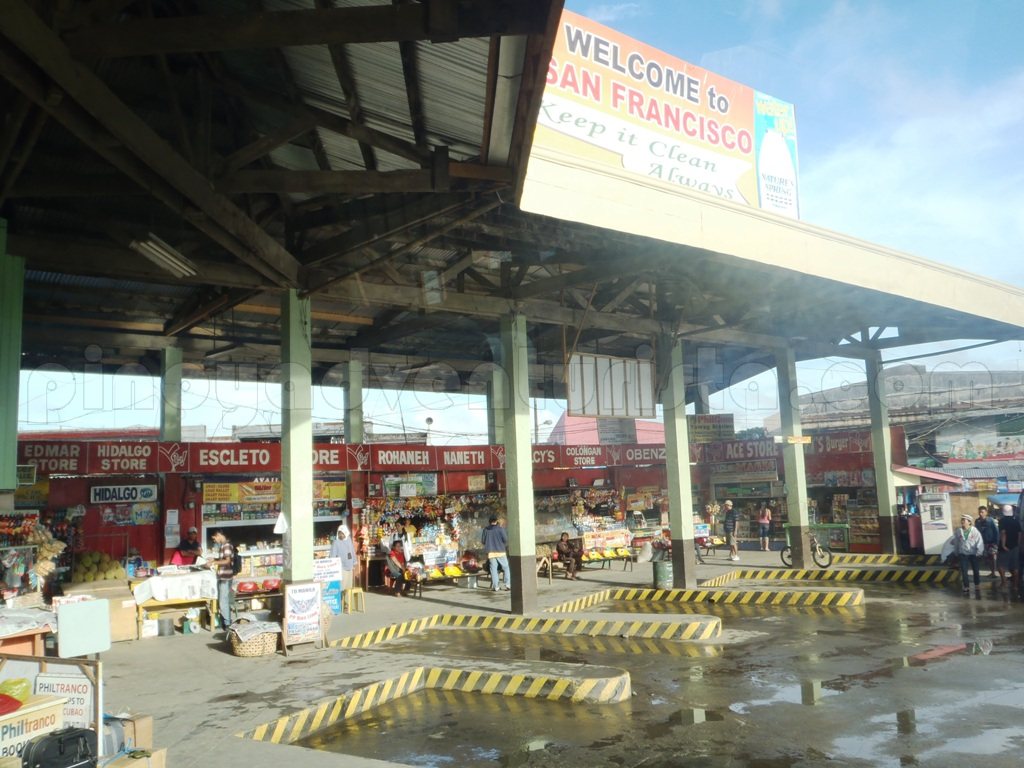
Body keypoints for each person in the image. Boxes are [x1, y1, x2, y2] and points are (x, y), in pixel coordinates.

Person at [208, 529, 234, 631]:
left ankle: (227, 623)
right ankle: (225, 621)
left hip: (225, 577)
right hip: (222, 576)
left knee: (223, 600)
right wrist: (214, 560)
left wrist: (214, 562)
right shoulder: (223, 546)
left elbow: (227, 561)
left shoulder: (226, 546)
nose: (214, 541)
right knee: (222, 599)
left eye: (214, 538)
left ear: (218, 535)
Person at [952, 514, 984, 594]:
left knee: (975, 570)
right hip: (963, 553)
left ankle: (977, 584)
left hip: (973, 554)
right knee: (964, 571)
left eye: (964, 520)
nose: (962, 521)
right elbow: (956, 542)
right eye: (962, 520)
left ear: (969, 522)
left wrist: (979, 552)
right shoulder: (959, 531)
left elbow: (980, 542)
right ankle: (966, 586)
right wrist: (956, 552)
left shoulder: (974, 531)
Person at [481, 515, 511, 592]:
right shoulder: (500, 529)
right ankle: (507, 584)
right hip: (500, 551)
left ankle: (496, 587)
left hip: (491, 552)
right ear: (496, 521)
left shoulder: (486, 530)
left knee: (493, 569)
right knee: (506, 567)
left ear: (489, 521)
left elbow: (483, 541)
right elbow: (505, 539)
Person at [996, 504, 1021, 590]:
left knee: (1000, 565)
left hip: (1004, 547)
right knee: (1015, 567)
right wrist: (1018, 544)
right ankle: (1015, 586)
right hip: (1015, 546)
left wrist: (1003, 545)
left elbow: (1003, 533)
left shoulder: (1002, 521)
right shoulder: (1016, 521)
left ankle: (1004, 582)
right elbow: (1020, 534)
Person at [329, 523, 359, 591]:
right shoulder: (336, 542)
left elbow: (352, 551)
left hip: (350, 566)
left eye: (342, 533)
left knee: (349, 587)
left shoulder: (348, 539)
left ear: (345, 533)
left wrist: (354, 562)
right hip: (341, 567)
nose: (340, 535)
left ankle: (347, 601)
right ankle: (341, 600)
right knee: (342, 587)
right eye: (339, 533)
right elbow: (332, 556)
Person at [975, 505, 999, 577]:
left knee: (993, 557)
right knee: (987, 559)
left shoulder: (990, 520)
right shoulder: (977, 521)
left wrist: (996, 542)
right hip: (982, 543)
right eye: (979, 512)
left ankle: (994, 573)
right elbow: (976, 532)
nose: (980, 514)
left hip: (992, 542)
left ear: (986, 512)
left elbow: (996, 531)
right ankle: (992, 572)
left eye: (982, 512)